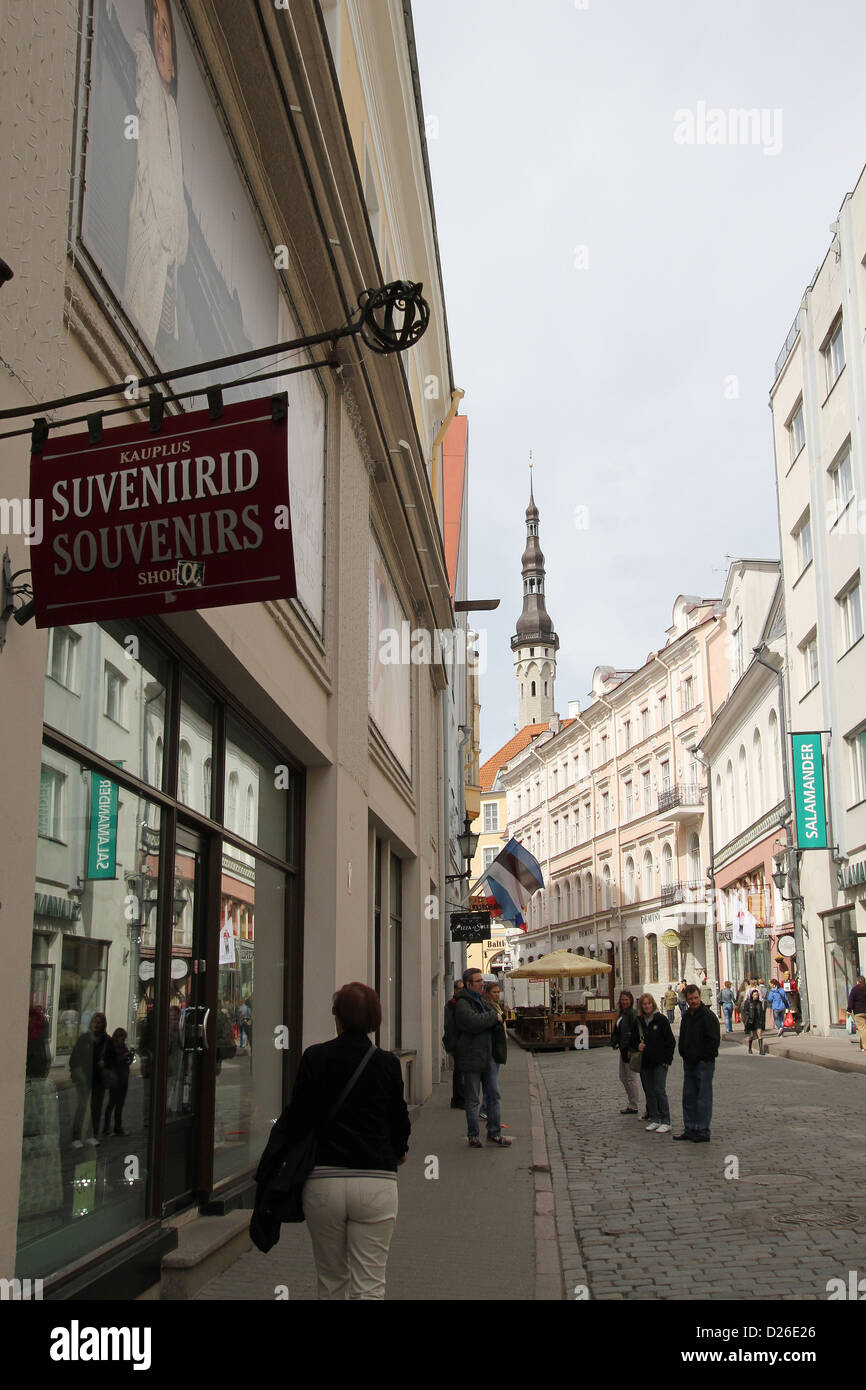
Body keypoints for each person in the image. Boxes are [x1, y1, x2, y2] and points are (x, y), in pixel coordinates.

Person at [266, 982, 409, 1299]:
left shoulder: (315, 1058)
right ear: (375, 1019)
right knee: (370, 1283)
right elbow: (399, 1119)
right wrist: (399, 1151)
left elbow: (298, 1117)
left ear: (337, 1018)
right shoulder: (387, 1063)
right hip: (376, 1181)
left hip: (324, 1180)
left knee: (331, 1280)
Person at [123, 0, 189, 355]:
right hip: (148, 238)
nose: (162, 43)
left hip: (166, 257)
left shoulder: (174, 117)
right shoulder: (144, 72)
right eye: (156, 27)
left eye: (167, 31)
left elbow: (175, 193)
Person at [455, 968, 512, 1147]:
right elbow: (473, 1022)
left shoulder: (482, 1000)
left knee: (494, 1095)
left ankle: (494, 1132)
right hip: (472, 1057)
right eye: (478, 981)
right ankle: (473, 1135)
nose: (482, 984)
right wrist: (492, 1018)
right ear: (469, 984)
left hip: (489, 1056)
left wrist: (494, 1018)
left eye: (482, 981)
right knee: (473, 1099)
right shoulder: (463, 1003)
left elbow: (499, 1018)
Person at [674, 984, 720, 1142]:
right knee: (689, 1096)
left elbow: (713, 1041)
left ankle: (703, 1130)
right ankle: (690, 1128)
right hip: (689, 1062)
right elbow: (683, 1036)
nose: (693, 1001)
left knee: (703, 1097)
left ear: (699, 997)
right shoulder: (687, 1016)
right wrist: (683, 1052)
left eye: (695, 998)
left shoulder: (708, 1016)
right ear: (686, 1000)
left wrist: (704, 1056)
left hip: (704, 1063)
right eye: (690, 999)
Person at [628, 993, 675, 1133]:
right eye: (644, 1004)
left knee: (659, 1090)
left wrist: (668, 1059)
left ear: (652, 1004)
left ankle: (666, 1120)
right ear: (641, 1006)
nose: (647, 1006)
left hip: (660, 1061)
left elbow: (670, 1041)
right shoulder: (639, 1021)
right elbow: (632, 1040)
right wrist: (637, 1046)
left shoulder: (661, 1020)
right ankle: (654, 1118)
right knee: (649, 1091)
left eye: (648, 1003)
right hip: (645, 1062)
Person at [69, 1012, 116, 1147]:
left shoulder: (107, 1040)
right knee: (82, 1106)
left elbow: (113, 1060)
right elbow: (75, 1058)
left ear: (103, 1024)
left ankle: (92, 1135)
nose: (96, 1025)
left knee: (96, 1107)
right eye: (94, 1022)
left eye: (99, 1022)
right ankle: (76, 1137)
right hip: (84, 1077)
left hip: (99, 1078)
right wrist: (79, 1071)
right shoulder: (84, 1038)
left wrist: (105, 1064)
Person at [483, 981, 508, 1129]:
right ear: (487, 993)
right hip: (492, 1050)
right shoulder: (489, 1007)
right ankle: (491, 1121)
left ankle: (486, 1111)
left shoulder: (496, 1006)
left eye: (498, 992)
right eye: (494, 992)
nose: (497, 995)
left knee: (491, 1085)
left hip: (497, 1049)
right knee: (492, 1088)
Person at [611, 990, 639, 1113]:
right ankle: (631, 1102)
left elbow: (635, 1033)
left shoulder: (632, 1013)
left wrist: (632, 1049)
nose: (624, 1002)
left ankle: (634, 1105)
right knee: (623, 1077)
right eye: (622, 999)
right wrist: (614, 1041)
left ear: (631, 1000)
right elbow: (618, 1030)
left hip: (629, 1050)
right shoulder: (622, 1014)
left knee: (630, 1078)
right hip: (623, 1049)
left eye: (626, 999)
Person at [104, 1027, 133, 1136]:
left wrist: (129, 1057)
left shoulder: (124, 1047)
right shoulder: (113, 1048)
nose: (123, 1040)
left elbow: (126, 1063)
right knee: (112, 1103)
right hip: (115, 1078)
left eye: (124, 1038)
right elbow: (112, 1061)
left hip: (124, 1077)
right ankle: (106, 1127)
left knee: (120, 1104)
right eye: (121, 1038)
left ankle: (118, 1126)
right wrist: (122, 1057)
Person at [442, 978, 465, 1109]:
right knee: (460, 1072)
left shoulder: (460, 1003)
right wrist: (453, 1043)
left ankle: (456, 1099)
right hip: (457, 1042)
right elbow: (449, 1026)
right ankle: (459, 1099)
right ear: (455, 990)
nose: (461, 991)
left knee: (458, 1071)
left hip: (460, 1042)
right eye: (459, 989)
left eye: (463, 989)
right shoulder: (452, 1004)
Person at [742, 988, 766, 1055]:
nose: (756, 996)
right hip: (751, 1021)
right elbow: (745, 1010)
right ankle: (749, 1048)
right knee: (751, 1035)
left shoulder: (759, 1003)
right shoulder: (748, 1002)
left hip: (758, 1020)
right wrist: (748, 1015)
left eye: (757, 995)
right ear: (752, 995)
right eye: (755, 995)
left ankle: (761, 1050)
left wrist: (762, 1021)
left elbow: (761, 1012)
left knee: (759, 1034)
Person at [847, 975, 866, 1051]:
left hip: (859, 1013)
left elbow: (851, 1000)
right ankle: (862, 1047)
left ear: (858, 981)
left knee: (862, 1029)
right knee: (863, 1029)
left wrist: (849, 1010)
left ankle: (865, 1047)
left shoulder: (855, 989)